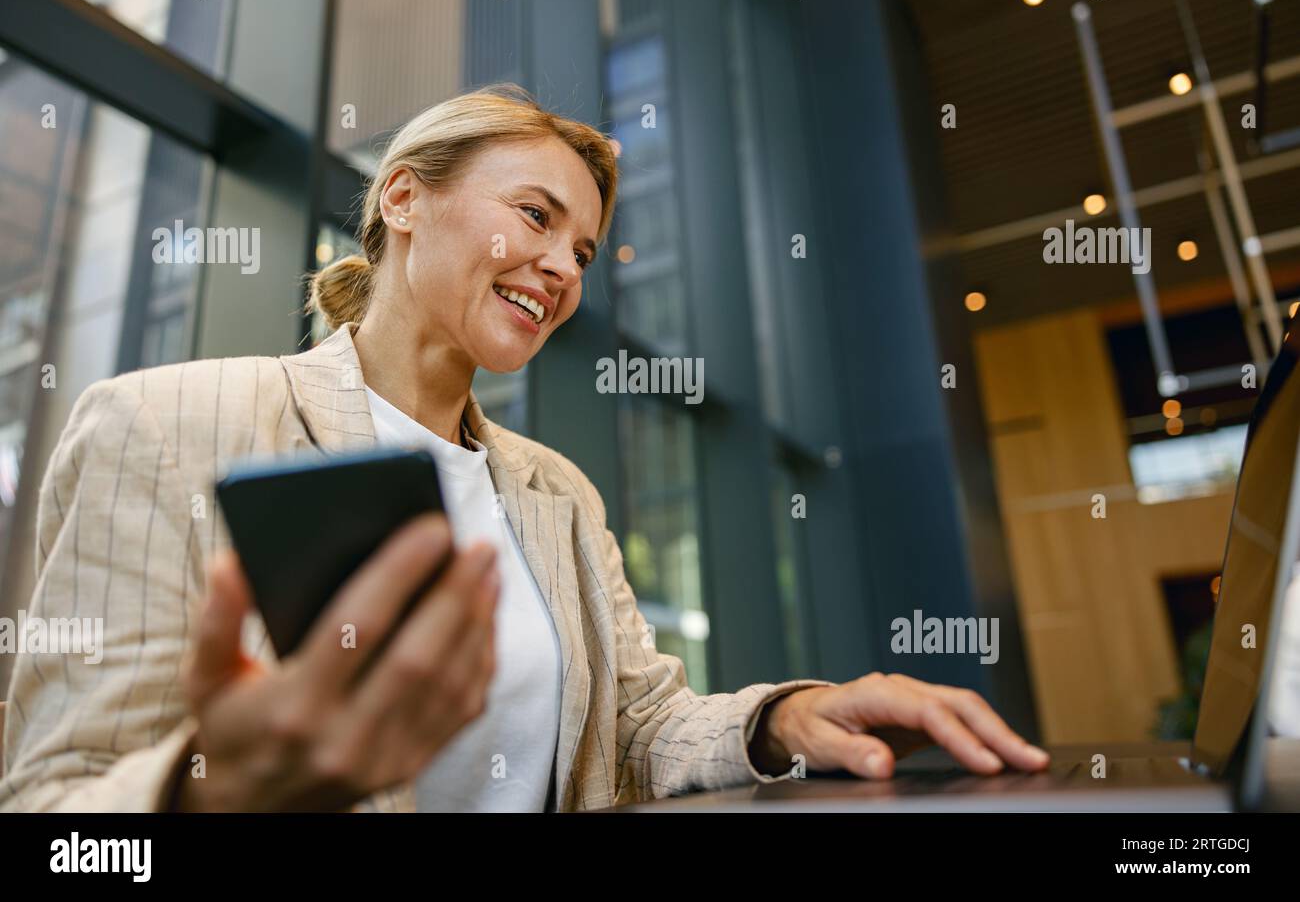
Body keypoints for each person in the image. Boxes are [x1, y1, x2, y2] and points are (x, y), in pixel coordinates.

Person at [0, 84, 1047, 813]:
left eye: (582, 250)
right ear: (403, 197)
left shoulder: (557, 490)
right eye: (534, 216)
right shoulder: (165, 422)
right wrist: (222, 792)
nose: (559, 266)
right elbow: (61, 819)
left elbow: (639, 730)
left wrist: (789, 715)